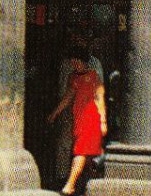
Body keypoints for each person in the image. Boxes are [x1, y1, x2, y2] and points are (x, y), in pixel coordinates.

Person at [47, 46, 107, 196]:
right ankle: (96, 183)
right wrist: (55, 113)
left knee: (80, 151)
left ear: (83, 61)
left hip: (92, 119)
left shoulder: (94, 76)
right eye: (72, 61)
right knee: (89, 154)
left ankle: (70, 185)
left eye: (76, 61)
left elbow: (99, 99)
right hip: (79, 119)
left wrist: (103, 121)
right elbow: (68, 98)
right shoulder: (73, 77)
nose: (74, 64)